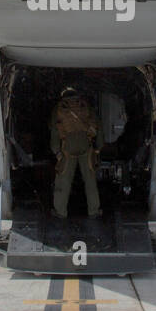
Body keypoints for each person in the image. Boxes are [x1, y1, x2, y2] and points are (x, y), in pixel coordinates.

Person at [51, 87, 102, 218]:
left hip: (67, 146)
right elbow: (98, 125)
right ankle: (94, 211)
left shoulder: (59, 108)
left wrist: (56, 151)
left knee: (63, 179)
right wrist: (98, 148)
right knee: (90, 179)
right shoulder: (85, 106)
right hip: (86, 144)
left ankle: (60, 211)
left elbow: (54, 130)